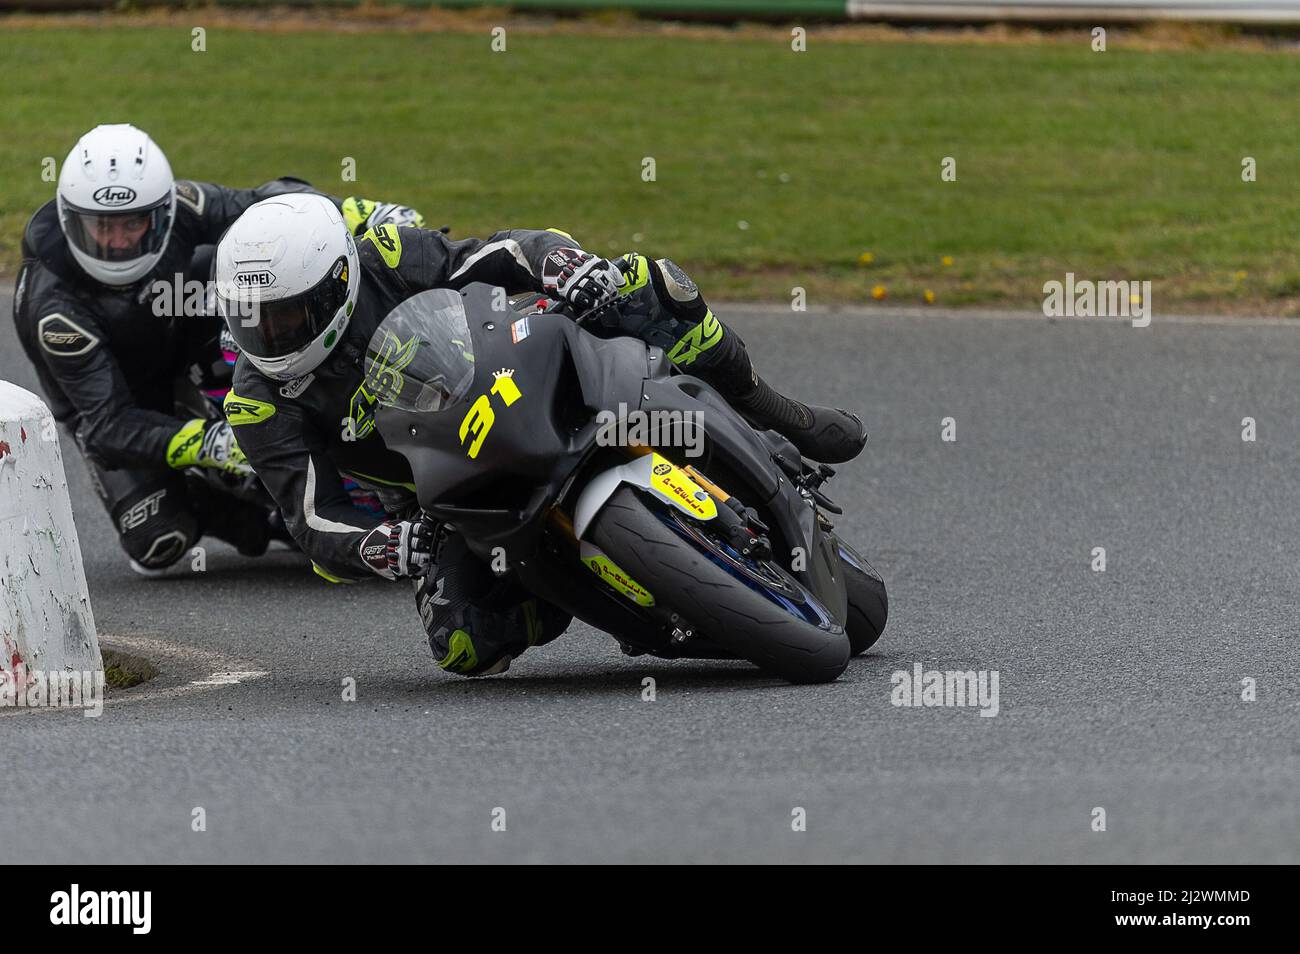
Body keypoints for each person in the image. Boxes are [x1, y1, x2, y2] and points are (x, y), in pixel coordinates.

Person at [213, 192, 867, 675]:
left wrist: (564, 266)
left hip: (508, 366)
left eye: (288, 315)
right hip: (435, 490)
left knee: (643, 286)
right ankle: (610, 590)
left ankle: (773, 412)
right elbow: (311, 517)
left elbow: (494, 251)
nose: (271, 337)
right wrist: (386, 545)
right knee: (464, 645)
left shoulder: (382, 255)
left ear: (337, 284)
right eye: (253, 321)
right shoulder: (257, 402)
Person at [11, 123, 423, 574]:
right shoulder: (53, 308)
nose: (117, 242)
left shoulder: (185, 206)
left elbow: (272, 205)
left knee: (243, 274)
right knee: (157, 539)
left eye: (133, 223)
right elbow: (109, 425)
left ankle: (305, 400)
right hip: (117, 405)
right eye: (101, 227)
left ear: (162, 213)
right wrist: (212, 444)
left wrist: (352, 212)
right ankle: (270, 515)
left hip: (178, 329)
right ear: (72, 219)